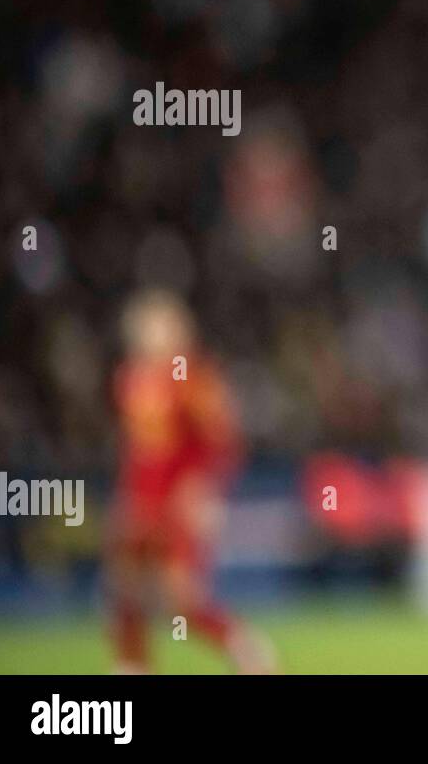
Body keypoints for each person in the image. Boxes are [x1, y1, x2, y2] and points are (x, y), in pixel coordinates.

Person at [106, 288, 276, 674]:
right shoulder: (130, 378)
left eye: (162, 326)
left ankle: (244, 646)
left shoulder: (193, 378)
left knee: (181, 597)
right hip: (141, 501)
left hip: (177, 505)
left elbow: (222, 441)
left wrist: (207, 490)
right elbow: (139, 451)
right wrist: (127, 496)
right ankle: (131, 666)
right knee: (125, 588)